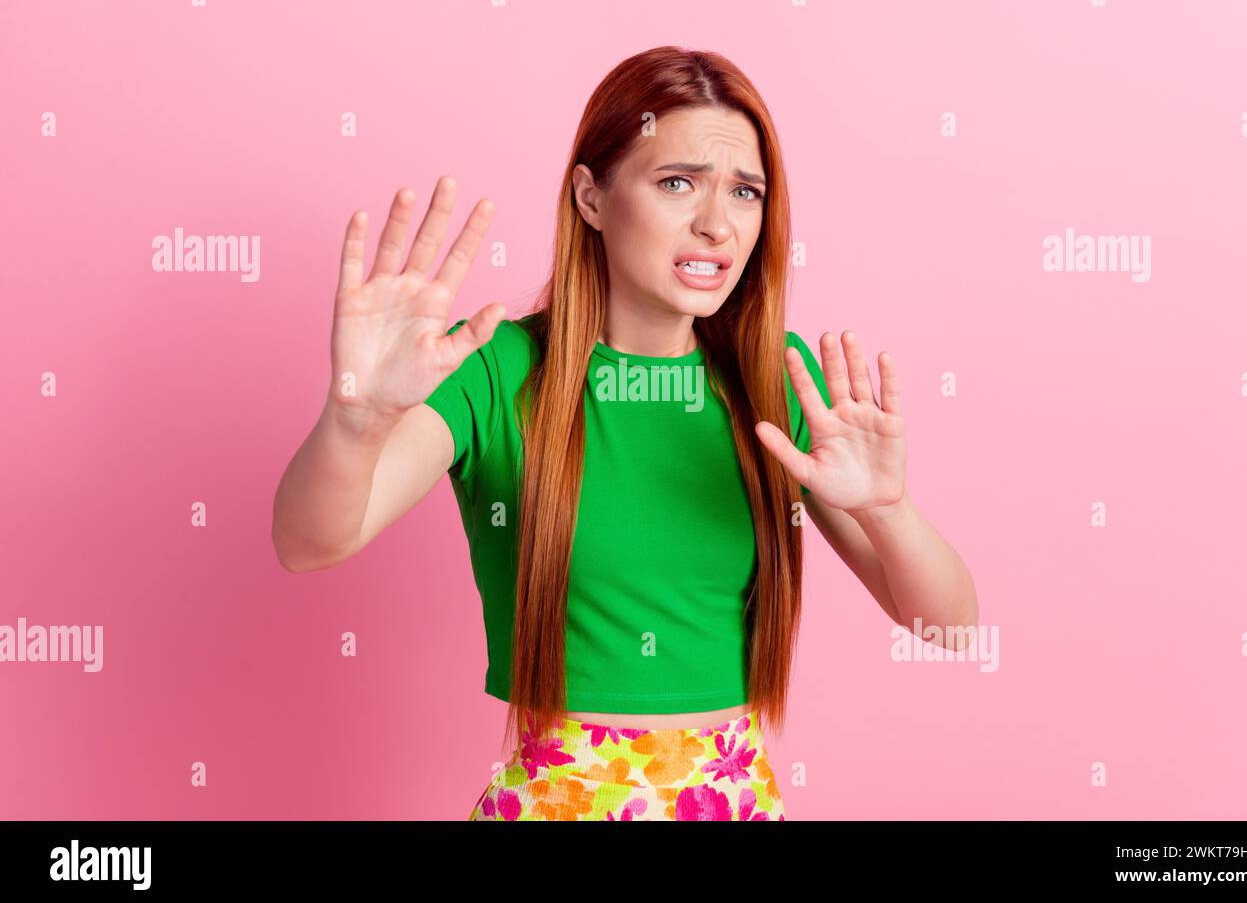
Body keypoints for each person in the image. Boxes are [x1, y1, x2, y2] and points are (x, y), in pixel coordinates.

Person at [272, 46, 978, 821]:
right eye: (678, 182)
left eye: (745, 193)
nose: (716, 224)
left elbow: (948, 628)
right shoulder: (496, 370)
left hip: (735, 801)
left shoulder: (780, 384)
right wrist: (355, 418)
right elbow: (309, 542)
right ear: (591, 196)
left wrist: (889, 506)